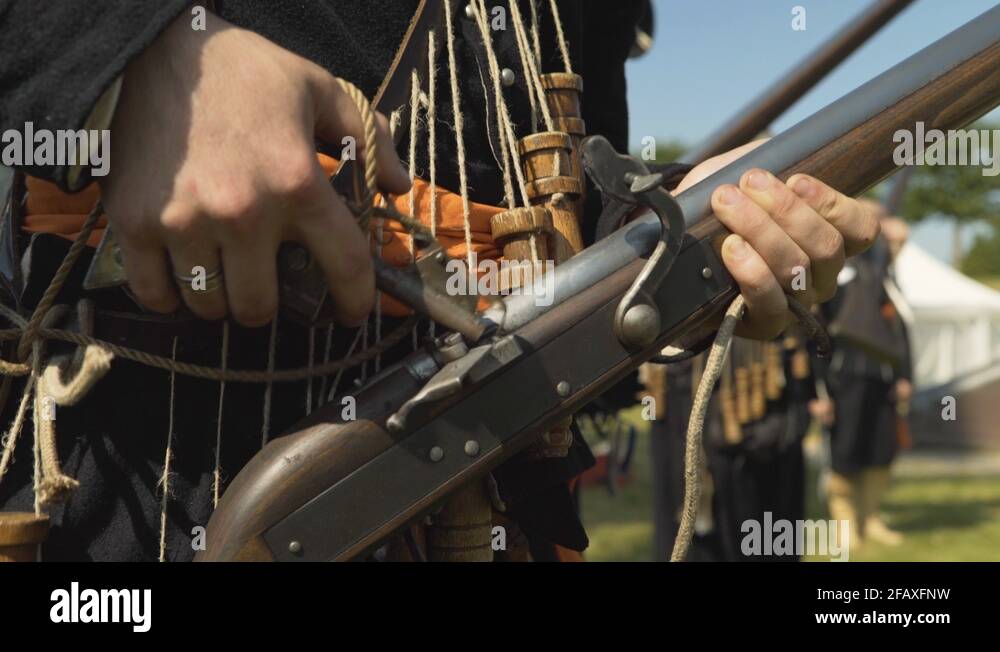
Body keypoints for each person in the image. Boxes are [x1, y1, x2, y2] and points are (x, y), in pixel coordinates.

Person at [0, 1, 878, 561]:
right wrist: (140, 59)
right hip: (145, 466)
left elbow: (567, 199)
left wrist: (692, 234)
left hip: (507, 483)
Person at [816, 200, 911, 550]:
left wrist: (904, 375)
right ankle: (845, 525)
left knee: (881, 449)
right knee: (845, 450)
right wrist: (818, 391)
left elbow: (899, 327)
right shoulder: (830, 266)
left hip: (881, 375)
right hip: (844, 377)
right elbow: (816, 332)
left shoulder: (881, 271)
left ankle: (871, 518)